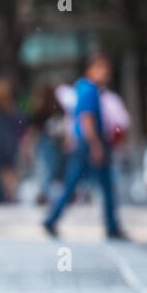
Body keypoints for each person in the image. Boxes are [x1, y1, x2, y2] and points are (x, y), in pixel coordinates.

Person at [42, 52, 126, 239]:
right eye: (101, 69)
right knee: (93, 184)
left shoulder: (83, 88)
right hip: (89, 143)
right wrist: (95, 144)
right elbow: (86, 119)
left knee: (80, 184)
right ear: (91, 69)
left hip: (84, 142)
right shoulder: (89, 90)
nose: (105, 73)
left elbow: (73, 117)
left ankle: (52, 219)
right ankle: (110, 226)